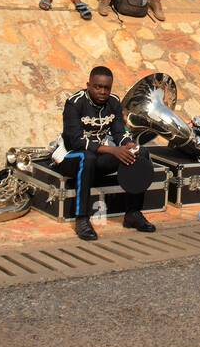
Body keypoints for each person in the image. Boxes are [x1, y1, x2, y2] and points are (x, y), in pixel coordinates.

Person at [59, 66, 156, 241]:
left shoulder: (114, 102)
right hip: (70, 157)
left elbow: (119, 132)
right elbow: (74, 141)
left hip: (100, 156)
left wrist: (128, 145)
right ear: (88, 85)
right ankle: (82, 219)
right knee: (85, 157)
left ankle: (133, 213)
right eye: (98, 87)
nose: (102, 92)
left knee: (139, 153)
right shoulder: (74, 103)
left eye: (107, 88)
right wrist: (112, 150)